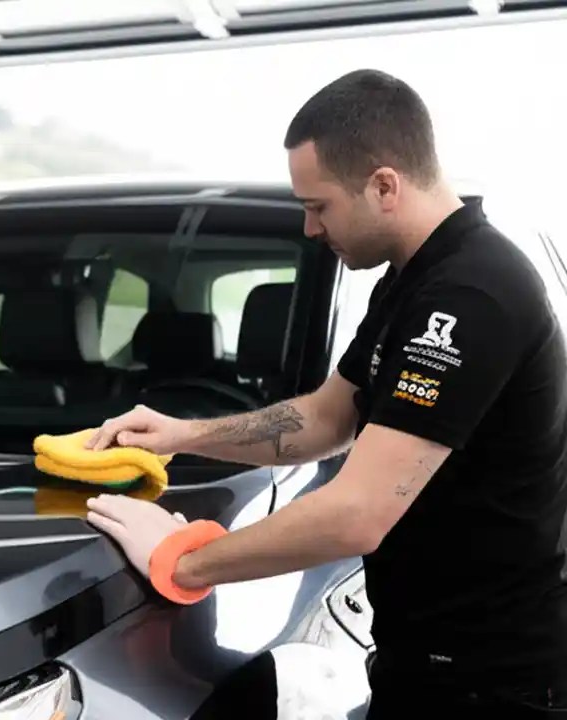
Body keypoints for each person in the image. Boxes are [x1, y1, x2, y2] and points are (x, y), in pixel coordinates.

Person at [83, 68, 567, 717]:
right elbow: (326, 416)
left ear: (384, 186)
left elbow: (358, 512)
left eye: (319, 206)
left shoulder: (468, 297)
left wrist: (181, 561)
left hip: (492, 685)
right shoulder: (412, 282)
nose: (311, 229)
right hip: (427, 665)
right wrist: (181, 435)